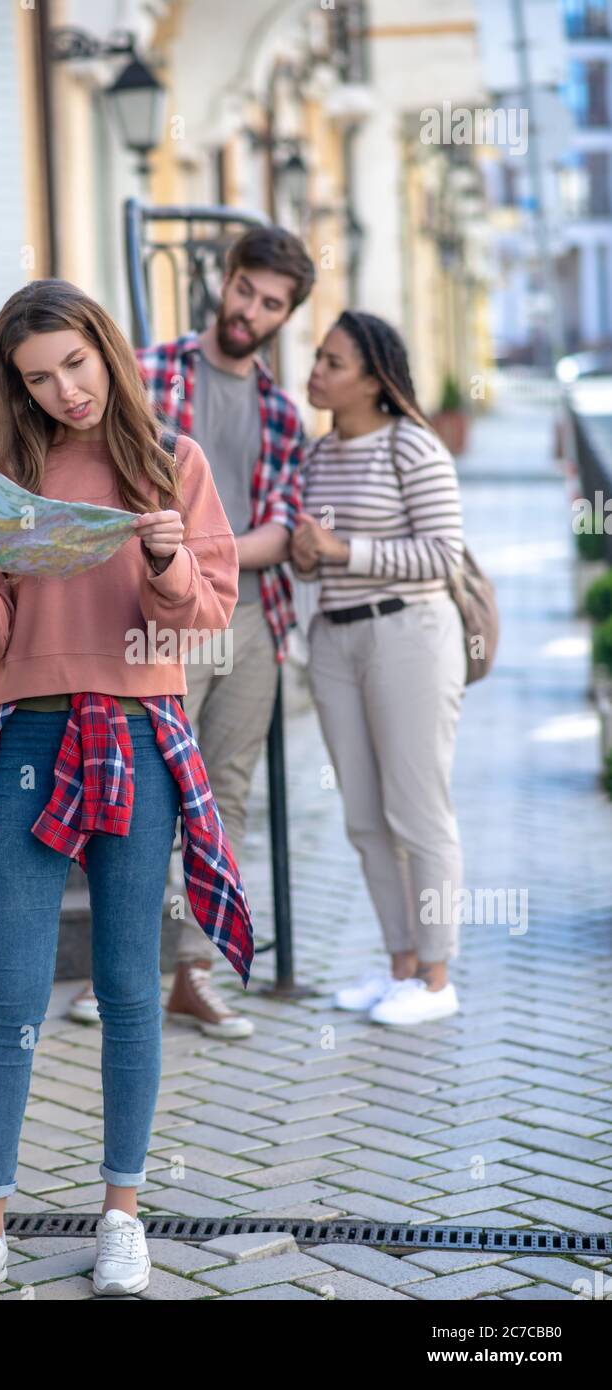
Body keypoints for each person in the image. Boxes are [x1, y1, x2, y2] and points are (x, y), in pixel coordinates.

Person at [0, 278, 251, 1298]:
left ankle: (122, 1214)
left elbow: (205, 616)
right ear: (15, 389)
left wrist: (161, 560)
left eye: (75, 361)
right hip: (27, 731)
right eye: (38, 376)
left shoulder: (171, 465)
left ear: (105, 351)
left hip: (139, 732)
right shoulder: (1, 481)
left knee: (126, 986)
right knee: (14, 988)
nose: (64, 388)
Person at [67, 225, 314, 1039]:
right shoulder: (151, 369)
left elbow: (282, 531)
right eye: (245, 289)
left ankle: (194, 974)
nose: (251, 310)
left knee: (225, 796)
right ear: (226, 279)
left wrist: (206, 550)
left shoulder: (282, 412)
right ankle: (120, 974)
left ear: (285, 316)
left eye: (271, 304)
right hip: (157, 609)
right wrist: (192, 557)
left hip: (248, 619)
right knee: (138, 792)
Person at [290, 310, 467, 1026]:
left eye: (333, 362)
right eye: (318, 358)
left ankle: (436, 978)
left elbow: (442, 556)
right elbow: (313, 552)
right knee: (365, 817)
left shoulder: (414, 447)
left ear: (372, 378)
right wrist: (310, 556)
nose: (317, 372)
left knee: (418, 812)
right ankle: (399, 965)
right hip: (335, 642)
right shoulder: (317, 455)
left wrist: (343, 552)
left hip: (409, 635)